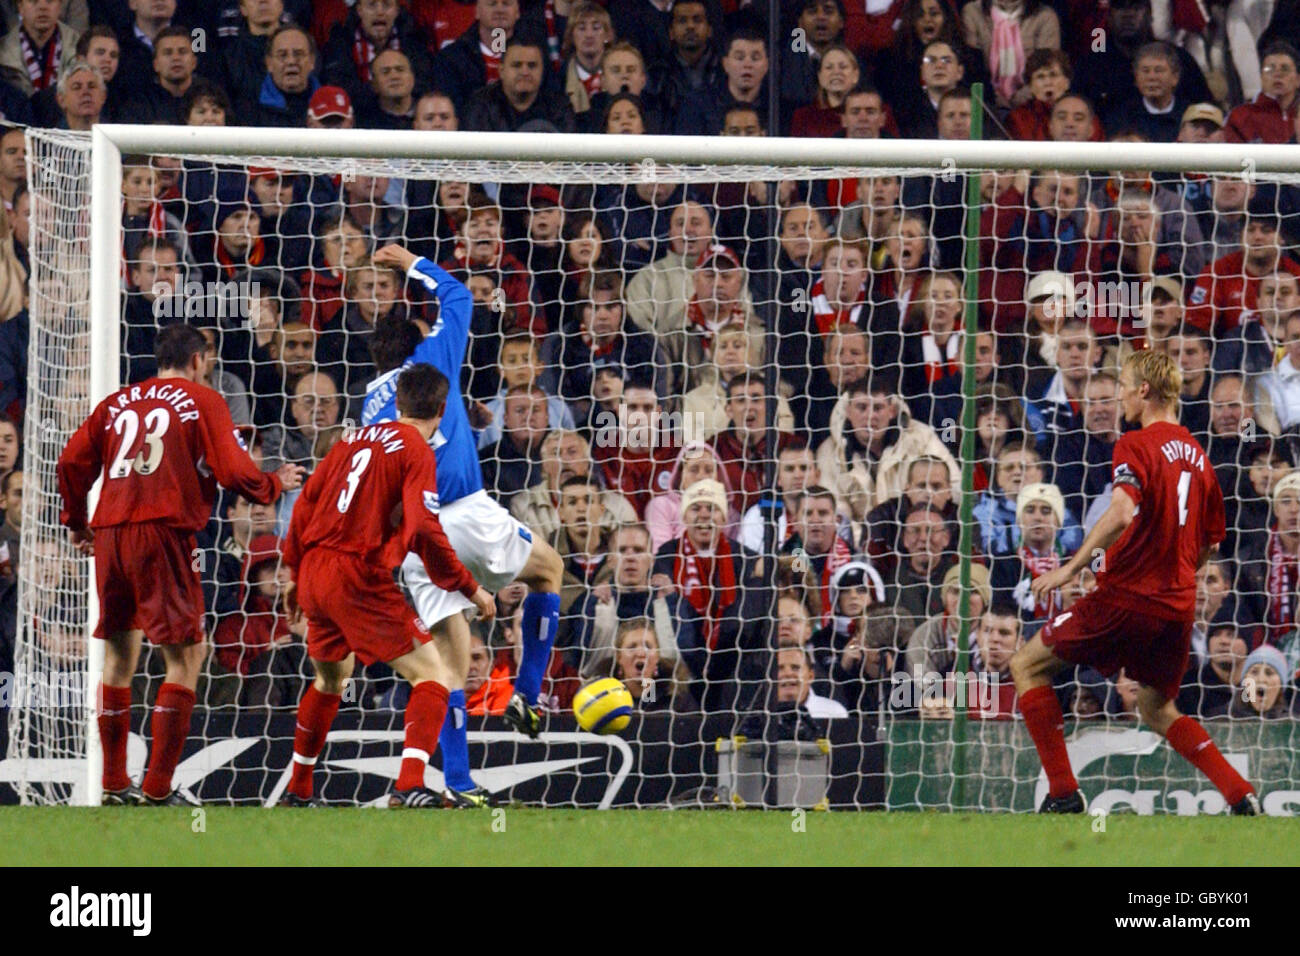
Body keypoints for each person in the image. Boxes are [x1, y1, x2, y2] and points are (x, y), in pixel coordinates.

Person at [56, 325, 303, 805]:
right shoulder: (203, 400)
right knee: (187, 655)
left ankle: (111, 784)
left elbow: (69, 463)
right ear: (199, 359)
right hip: (163, 531)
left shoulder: (117, 403)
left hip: (110, 532)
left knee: (119, 658)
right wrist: (273, 484)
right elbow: (233, 472)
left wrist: (77, 522)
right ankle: (156, 788)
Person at [1011, 349, 1260, 815]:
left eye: (1124, 385)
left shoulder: (1136, 443)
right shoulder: (1200, 458)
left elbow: (1123, 510)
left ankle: (1064, 792)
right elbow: (1209, 544)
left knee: (1026, 665)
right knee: (1156, 709)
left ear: (1143, 390)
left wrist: (1073, 566)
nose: (1120, 395)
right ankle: (1239, 792)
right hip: (1178, 606)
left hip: (1128, 597)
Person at [362, 243, 565, 807]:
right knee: (550, 572)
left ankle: (458, 783)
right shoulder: (434, 358)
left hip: (413, 538)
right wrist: (408, 263)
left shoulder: (368, 403)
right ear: (422, 336)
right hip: (465, 513)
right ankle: (527, 694)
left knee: (449, 665)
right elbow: (458, 295)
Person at [280, 363, 495, 808]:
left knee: (330, 679)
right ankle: (408, 785)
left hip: (316, 570)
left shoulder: (351, 440)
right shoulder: (417, 449)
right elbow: (423, 528)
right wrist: (469, 587)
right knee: (432, 674)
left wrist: (294, 571)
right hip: (357, 574)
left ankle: (298, 791)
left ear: (397, 402)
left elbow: (306, 504)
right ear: (441, 409)